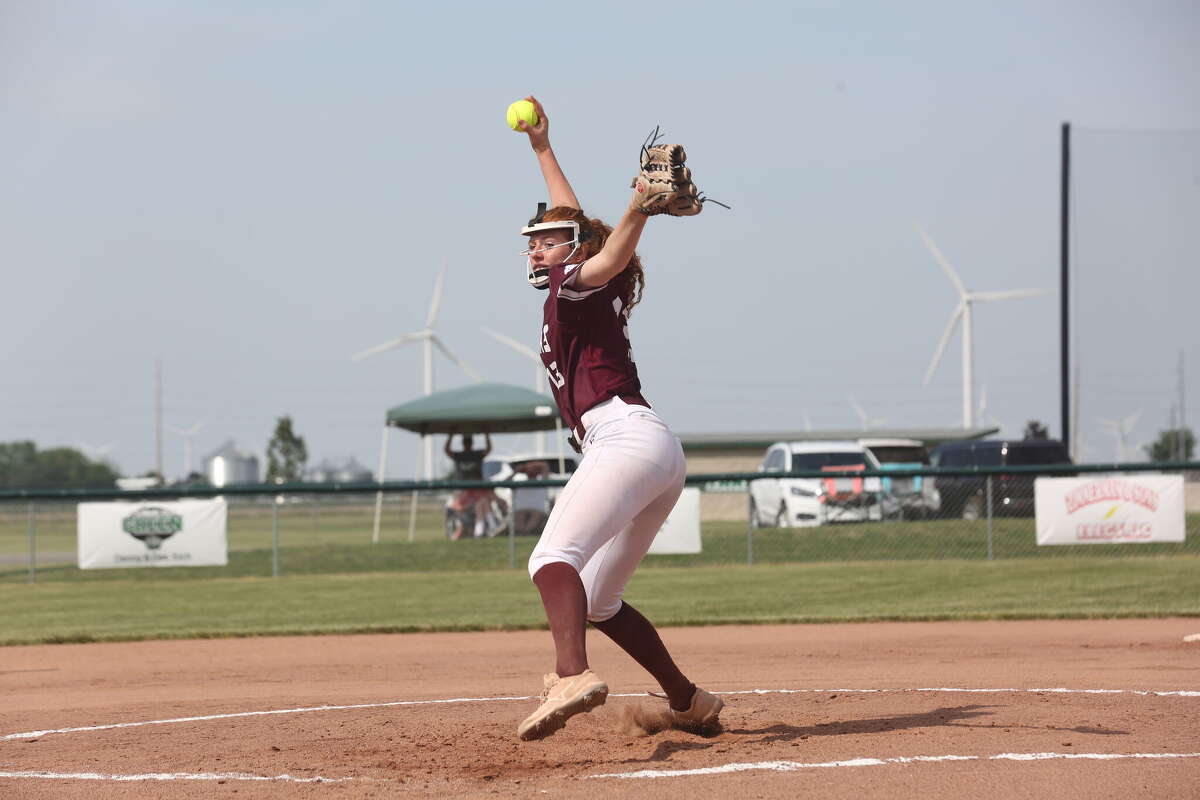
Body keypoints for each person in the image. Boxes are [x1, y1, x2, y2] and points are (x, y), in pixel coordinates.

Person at [511, 96, 723, 741]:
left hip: (624, 439)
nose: (538, 244)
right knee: (599, 598)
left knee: (552, 559)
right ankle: (689, 702)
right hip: (656, 450)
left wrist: (637, 208)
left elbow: (604, 256)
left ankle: (571, 674)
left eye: (549, 240)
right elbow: (580, 228)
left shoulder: (577, 283)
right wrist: (543, 149)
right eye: (537, 238)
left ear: (572, 251)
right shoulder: (577, 285)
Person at [444, 433, 498, 539]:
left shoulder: (477, 454)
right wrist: (450, 436)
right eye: (466, 442)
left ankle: (486, 529)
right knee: (481, 503)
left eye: (468, 442)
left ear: (471, 443)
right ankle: (490, 528)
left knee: (482, 503)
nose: (467, 444)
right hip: (464, 497)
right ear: (464, 443)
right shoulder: (459, 456)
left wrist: (486, 435)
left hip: (475, 496)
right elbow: (447, 451)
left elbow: (488, 449)